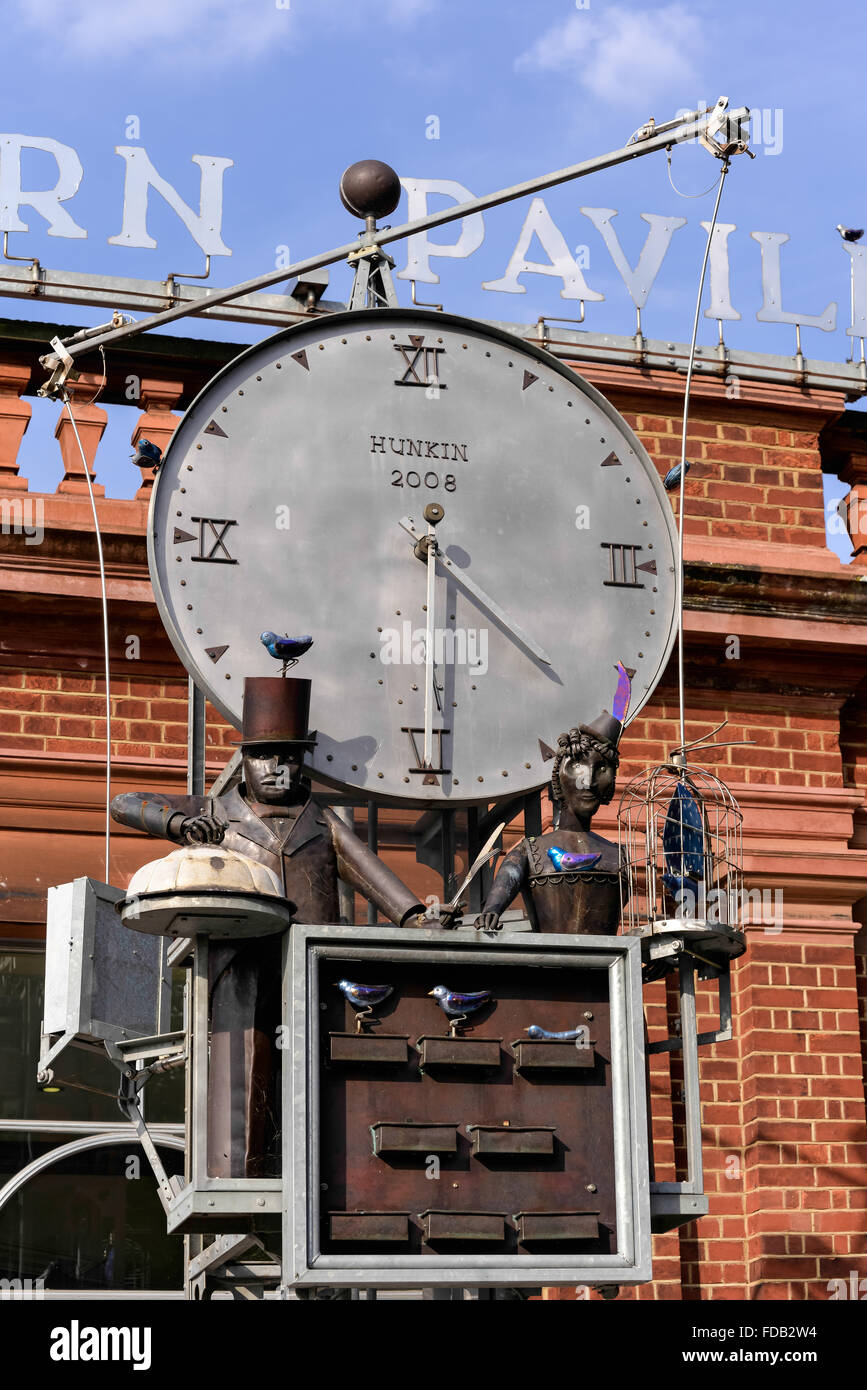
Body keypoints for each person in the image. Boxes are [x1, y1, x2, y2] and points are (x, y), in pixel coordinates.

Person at [111, 676, 451, 1177]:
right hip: (240, 961)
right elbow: (123, 803)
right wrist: (178, 826)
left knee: (321, 1070)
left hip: (312, 968)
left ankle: (323, 1179)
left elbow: (380, 882)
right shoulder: (214, 811)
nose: (278, 768)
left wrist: (417, 917)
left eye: (289, 757)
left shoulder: (325, 823)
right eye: (266, 756)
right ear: (245, 760)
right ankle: (235, 1180)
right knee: (240, 1070)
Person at [473, 705, 626, 936]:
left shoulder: (619, 856)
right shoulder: (530, 850)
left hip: (607, 970)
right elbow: (505, 885)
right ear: (560, 778)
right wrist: (491, 911)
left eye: (602, 769)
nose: (589, 782)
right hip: (550, 967)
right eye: (577, 767)